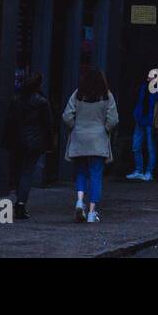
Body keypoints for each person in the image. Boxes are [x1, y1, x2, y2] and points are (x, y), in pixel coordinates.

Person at [63, 69, 119, 223]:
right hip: (98, 139)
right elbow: (113, 120)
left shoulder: (78, 94)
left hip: (79, 137)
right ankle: (92, 213)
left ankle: (80, 201)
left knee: (80, 172)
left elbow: (67, 116)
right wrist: (104, 129)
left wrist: (76, 127)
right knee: (96, 175)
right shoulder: (107, 95)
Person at [2, 73, 53, 221]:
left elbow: (9, 123)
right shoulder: (42, 102)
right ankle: (20, 205)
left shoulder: (16, 101)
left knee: (19, 172)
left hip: (17, 141)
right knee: (27, 173)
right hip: (33, 142)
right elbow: (47, 125)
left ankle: (19, 201)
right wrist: (49, 144)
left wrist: (7, 141)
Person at [126, 69, 158, 181]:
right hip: (141, 120)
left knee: (150, 147)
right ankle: (139, 170)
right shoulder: (143, 88)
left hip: (150, 121)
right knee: (136, 146)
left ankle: (149, 172)